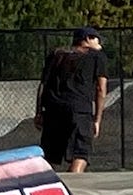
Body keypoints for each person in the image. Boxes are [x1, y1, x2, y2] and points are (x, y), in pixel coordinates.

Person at [35, 29, 107, 173]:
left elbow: (43, 85)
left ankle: (48, 187)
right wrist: (97, 119)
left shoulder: (56, 55)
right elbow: (101, 88)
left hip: (53, 109)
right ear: (88, 38)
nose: (100, 44)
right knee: (80, 154)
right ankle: (74, 189)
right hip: (79, 111)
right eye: (97, 40)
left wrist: (39, 112)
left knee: (49, 156)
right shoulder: (97, 57)